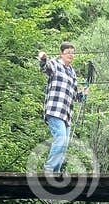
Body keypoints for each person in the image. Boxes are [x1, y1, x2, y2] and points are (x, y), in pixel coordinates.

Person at [37, 42, 86, 174]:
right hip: (54, 110)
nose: (71, 55)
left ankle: (56, 171)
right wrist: (43, 59)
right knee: (61, 139)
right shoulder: (55, 64)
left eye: (73, 53)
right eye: (68, 52)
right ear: (61, 54)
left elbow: (75, 96)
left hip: (67, 115)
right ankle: (49, 169)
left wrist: (83, 94)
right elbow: (45, 67)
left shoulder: (72, 72)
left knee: (64, 144)